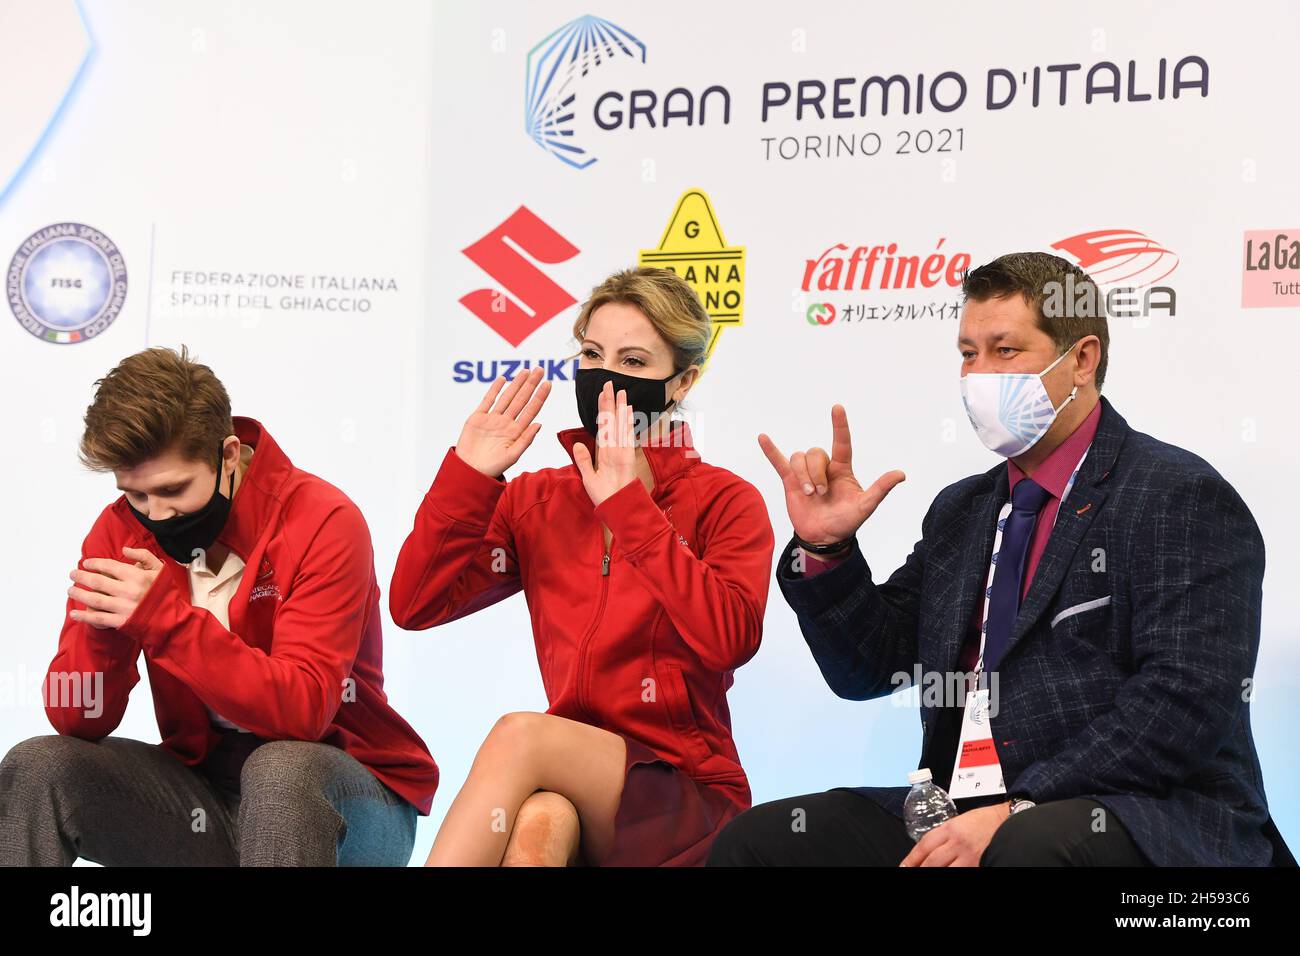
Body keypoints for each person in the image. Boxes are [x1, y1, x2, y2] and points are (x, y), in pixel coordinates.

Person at [708, 251, 1295, 867]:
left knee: (1027, 849)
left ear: (1083, 360)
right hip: (959, 809)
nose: (979, 375)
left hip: (1142, 814)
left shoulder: (1175, 495)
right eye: (968, 353)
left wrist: (1022, 807)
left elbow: (1183, 704)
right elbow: (870, 669)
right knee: (763, 844)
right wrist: (827, 551)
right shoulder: (963, 511)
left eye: (1005, 351)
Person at [390, 266, 774, 866]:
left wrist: (633, 513)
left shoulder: (727, 500)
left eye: (634, 362)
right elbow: (415, 605)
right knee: (539, 822)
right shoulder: (539, 499)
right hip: (570, 771)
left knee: (521, 735)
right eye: (593, 354)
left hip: (689, 792)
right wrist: (470, 477)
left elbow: (729, 639)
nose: (607, 379)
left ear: (681, 382)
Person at [0, 346, 437, 866]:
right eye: (135, 495)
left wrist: (163, 619)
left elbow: (304, 712)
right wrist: (105, 626)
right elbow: (77, 720)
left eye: (173, 489)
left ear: (228, 454)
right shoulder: (119, 529)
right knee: (39, 766)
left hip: (347, 793)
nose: (155, 515)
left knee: (280, 772)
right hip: (204, 797)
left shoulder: (322, 519)